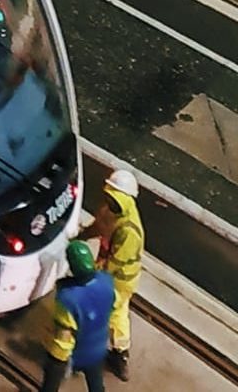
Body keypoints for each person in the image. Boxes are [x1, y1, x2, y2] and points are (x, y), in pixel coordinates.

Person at [90, 168, 143, 381]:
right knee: (117, 314)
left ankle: (116, 354)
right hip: (114, 275)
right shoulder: (115, 212)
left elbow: (115, 262)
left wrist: (97, 275)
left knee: (110, 313)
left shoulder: (130, 230)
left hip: (120, 281)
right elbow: (99, 226)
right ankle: (120, 353)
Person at [40, 239, 114, 392]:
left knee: (51, 383)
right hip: (98, 346)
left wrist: (58, 358)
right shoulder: (106, 281)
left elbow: (63, 337)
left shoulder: (68, 299)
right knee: (96, 383)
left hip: (77, 351)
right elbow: (114, 307)